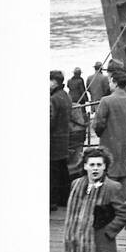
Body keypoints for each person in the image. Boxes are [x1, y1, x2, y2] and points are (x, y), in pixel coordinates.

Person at [50, 71, 74, 210]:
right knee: (63, 170)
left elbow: (50, 121)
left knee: (53, 172)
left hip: (53, 140)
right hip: (64, 138)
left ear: (54, 82)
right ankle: (65, 199)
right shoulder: (66, 95)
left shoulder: (53, 98)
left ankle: (52, 201)